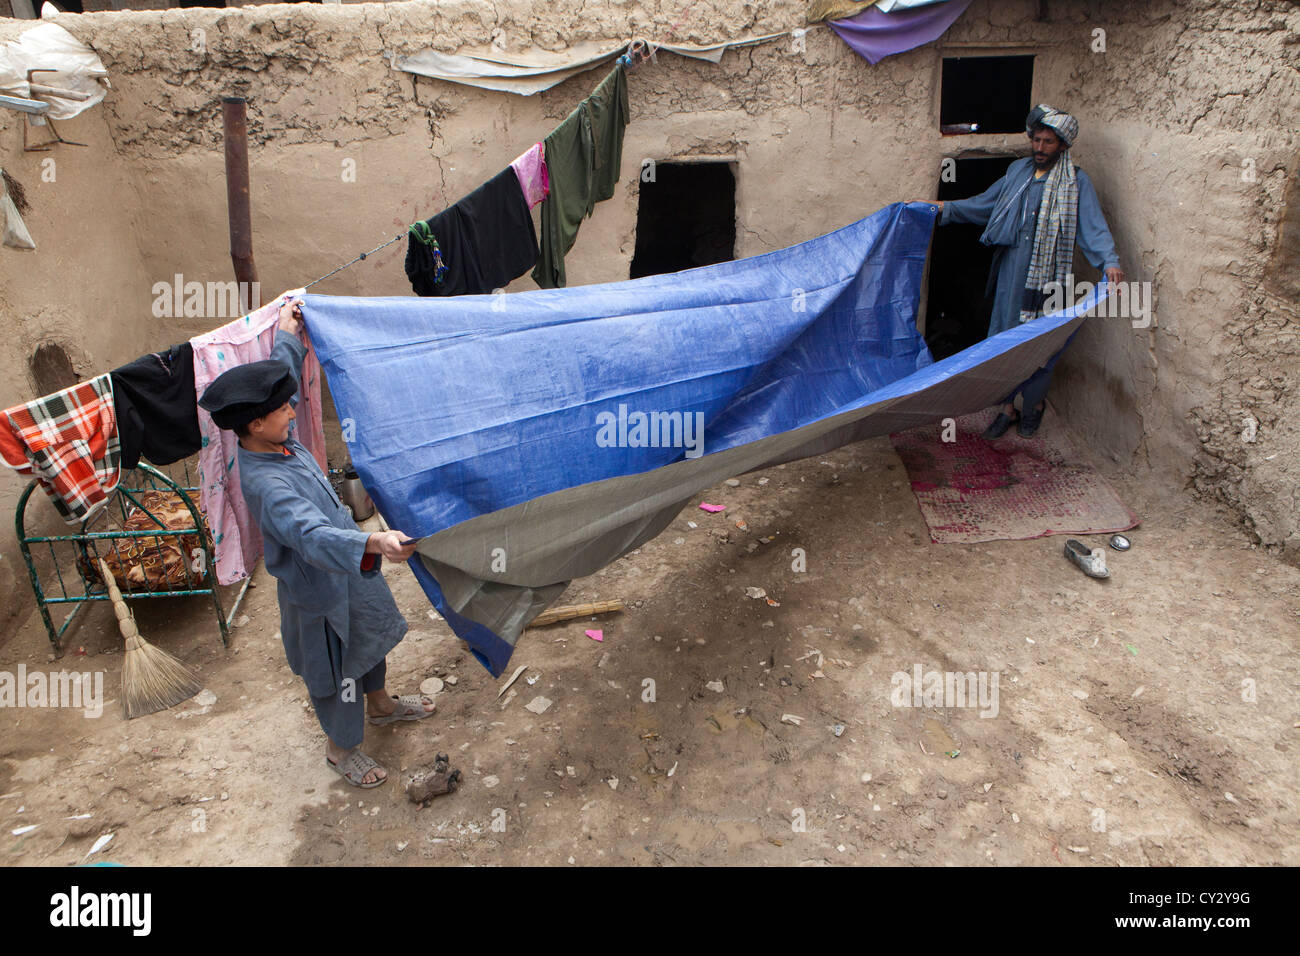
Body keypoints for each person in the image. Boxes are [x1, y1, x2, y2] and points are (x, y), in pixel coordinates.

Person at [198, 298, 434, 788]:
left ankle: (383, 706)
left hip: (348, 570)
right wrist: (374, 543)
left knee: (368, 637)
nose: (293, 409)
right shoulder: (266, 482)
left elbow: (280, 373)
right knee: (336, 672)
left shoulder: (272, 436)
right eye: (283, 408)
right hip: (318, 593)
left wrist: (287, 330)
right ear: (256, 425)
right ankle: (341, 749)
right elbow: (309, 535)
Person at [913, 104, 1125, 438]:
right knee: (1003, 341)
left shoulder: (1076, 183)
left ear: (1064, 146)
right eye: (1037, 140)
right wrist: (943, 208)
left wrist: (1109, 261)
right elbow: (985, 204)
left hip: (1050, 280)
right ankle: (1007, 407)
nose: (1040, 148)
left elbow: (1092, 227)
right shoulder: (1017, 172)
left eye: (1049, 142)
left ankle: (1035, 404)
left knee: (1041, 346)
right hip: (1011, 272)